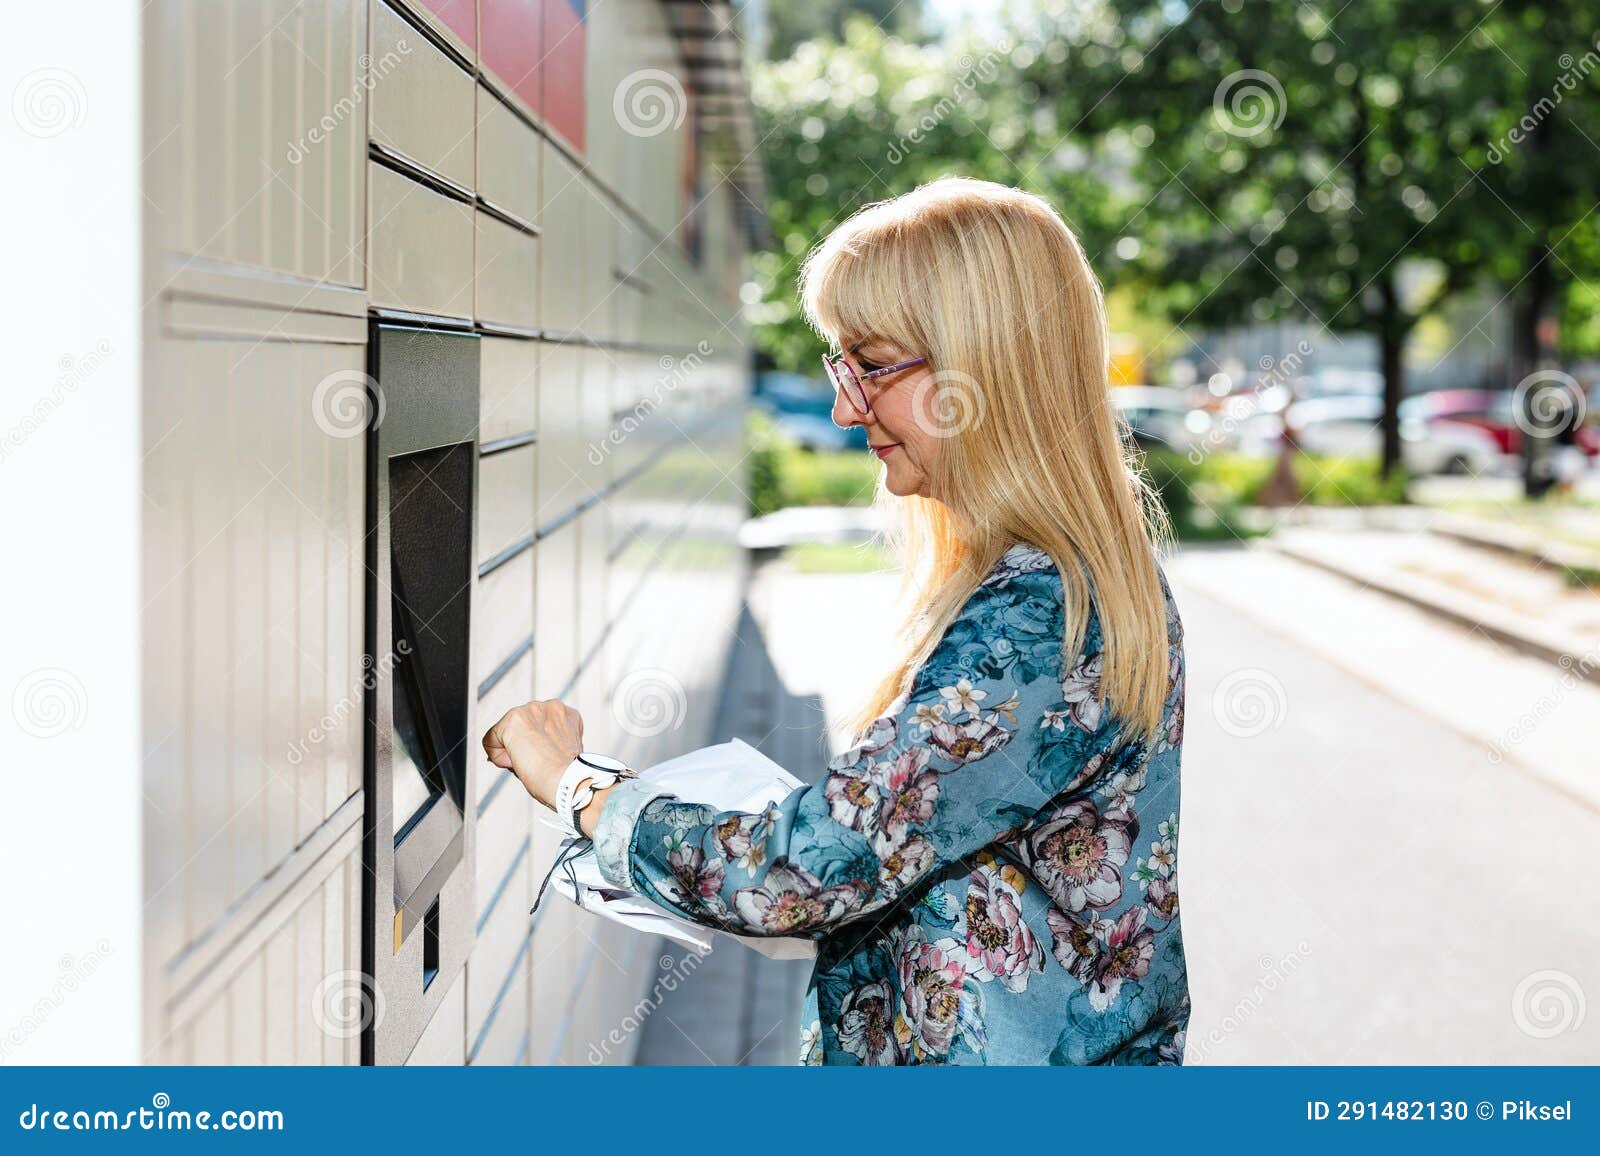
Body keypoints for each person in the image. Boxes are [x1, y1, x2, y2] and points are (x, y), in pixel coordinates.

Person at [484, 177, 1190, 1066]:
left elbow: (810, 872)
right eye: (840, 367)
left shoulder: (1038, 618)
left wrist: (582, 789)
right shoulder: (1074, 584)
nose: (845, 408)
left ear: (984, 368)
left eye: (874, 365)